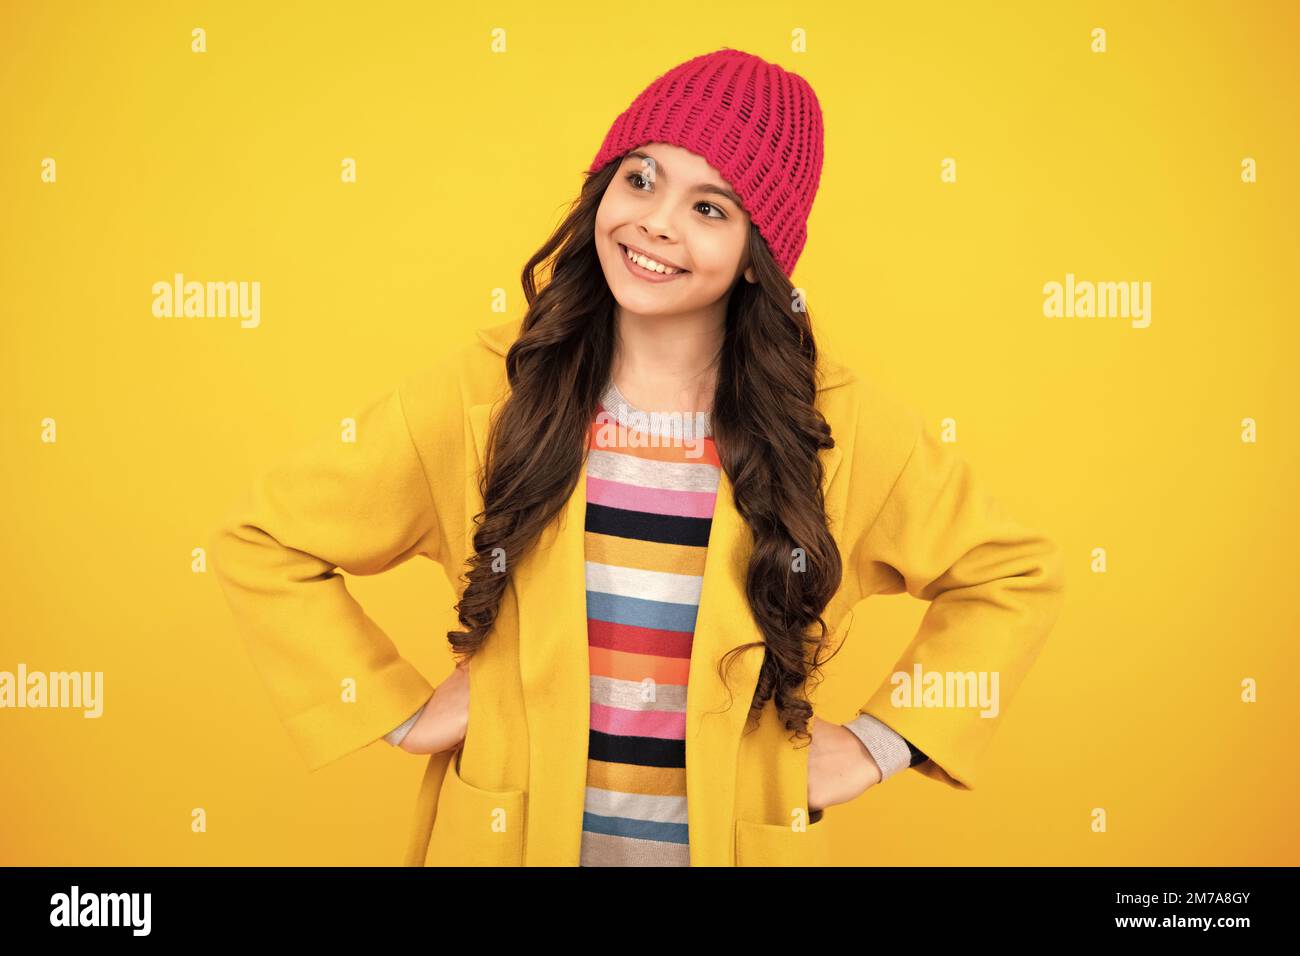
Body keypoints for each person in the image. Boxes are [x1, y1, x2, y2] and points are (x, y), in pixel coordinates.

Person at [211, 47, 1066, 867]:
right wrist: (392, 707)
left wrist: (880, 747)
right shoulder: (492, 390)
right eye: (641, 177)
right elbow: (268, 539)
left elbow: (1010, 577)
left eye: (709, 207)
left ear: (758, 258)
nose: (655, 222)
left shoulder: (832, 424)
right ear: (603, 189)